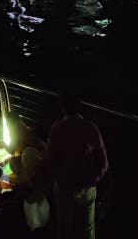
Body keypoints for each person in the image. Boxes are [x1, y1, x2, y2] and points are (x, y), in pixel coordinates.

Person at [45, 90, 108, 239]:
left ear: (62, 107)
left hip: (65, 189)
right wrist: (90, 181)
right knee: (88, 227)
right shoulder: (91, 128)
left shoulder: (57, 128)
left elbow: (50, 160)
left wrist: (62, 179)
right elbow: (102, 161)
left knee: (64, 228)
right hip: (87, 188)